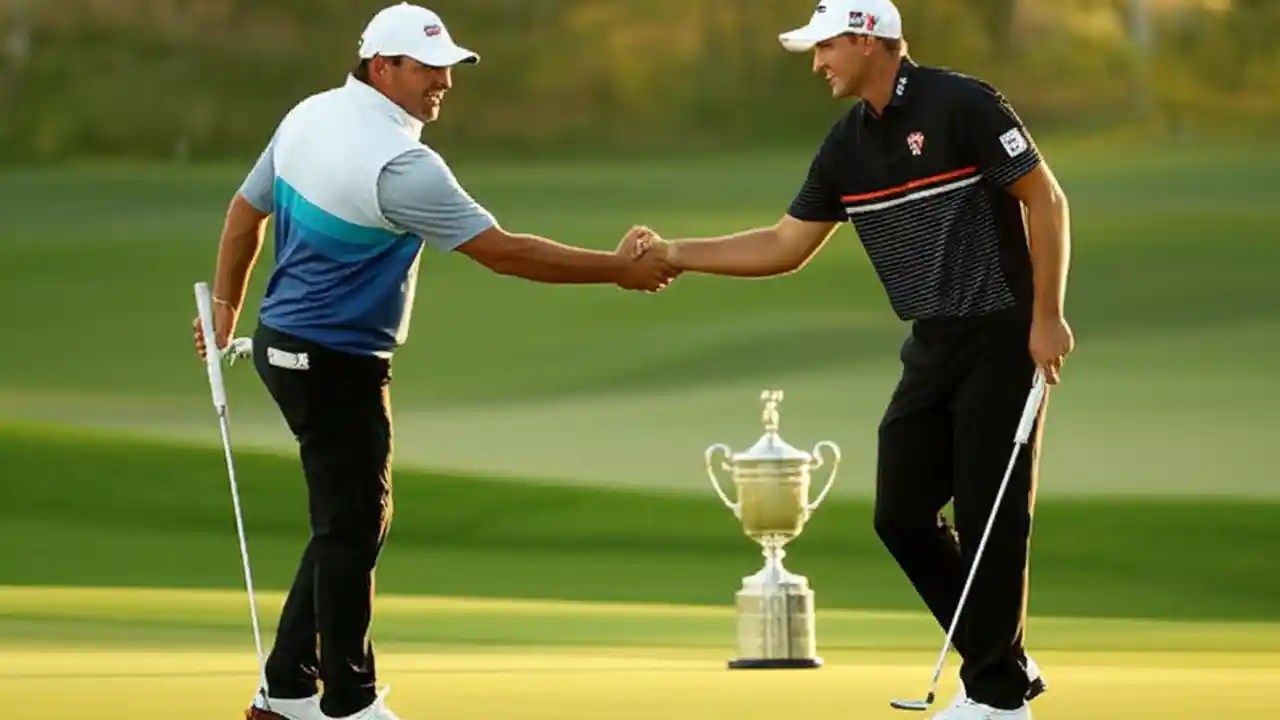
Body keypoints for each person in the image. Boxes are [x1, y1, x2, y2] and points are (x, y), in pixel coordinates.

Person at [191, 4, 676, 719]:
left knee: (346, 520)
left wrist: (228, 310)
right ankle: (347, 701)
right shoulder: (403, 165)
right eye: (427, 67)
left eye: (449, 66)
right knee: (354, 524)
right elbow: (504, 252)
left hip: (279, 346)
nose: (444, 80)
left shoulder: (309, 116)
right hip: (336, 362)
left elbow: (243, 212)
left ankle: (287, 688)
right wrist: (617, 269)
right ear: (381, 67)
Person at [632, 1, 1073, 718]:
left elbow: (1045, 200)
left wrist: (1047, 316)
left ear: (869, 39)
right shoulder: (847, 146)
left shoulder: (963, 104)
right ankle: (1005, 660)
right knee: (900, 513)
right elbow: (784, 245)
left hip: (1001, 333)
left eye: (826, 46)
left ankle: (997, 697)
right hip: (931, 342)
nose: (817, 62)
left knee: (991, 511)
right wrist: (677, 254)